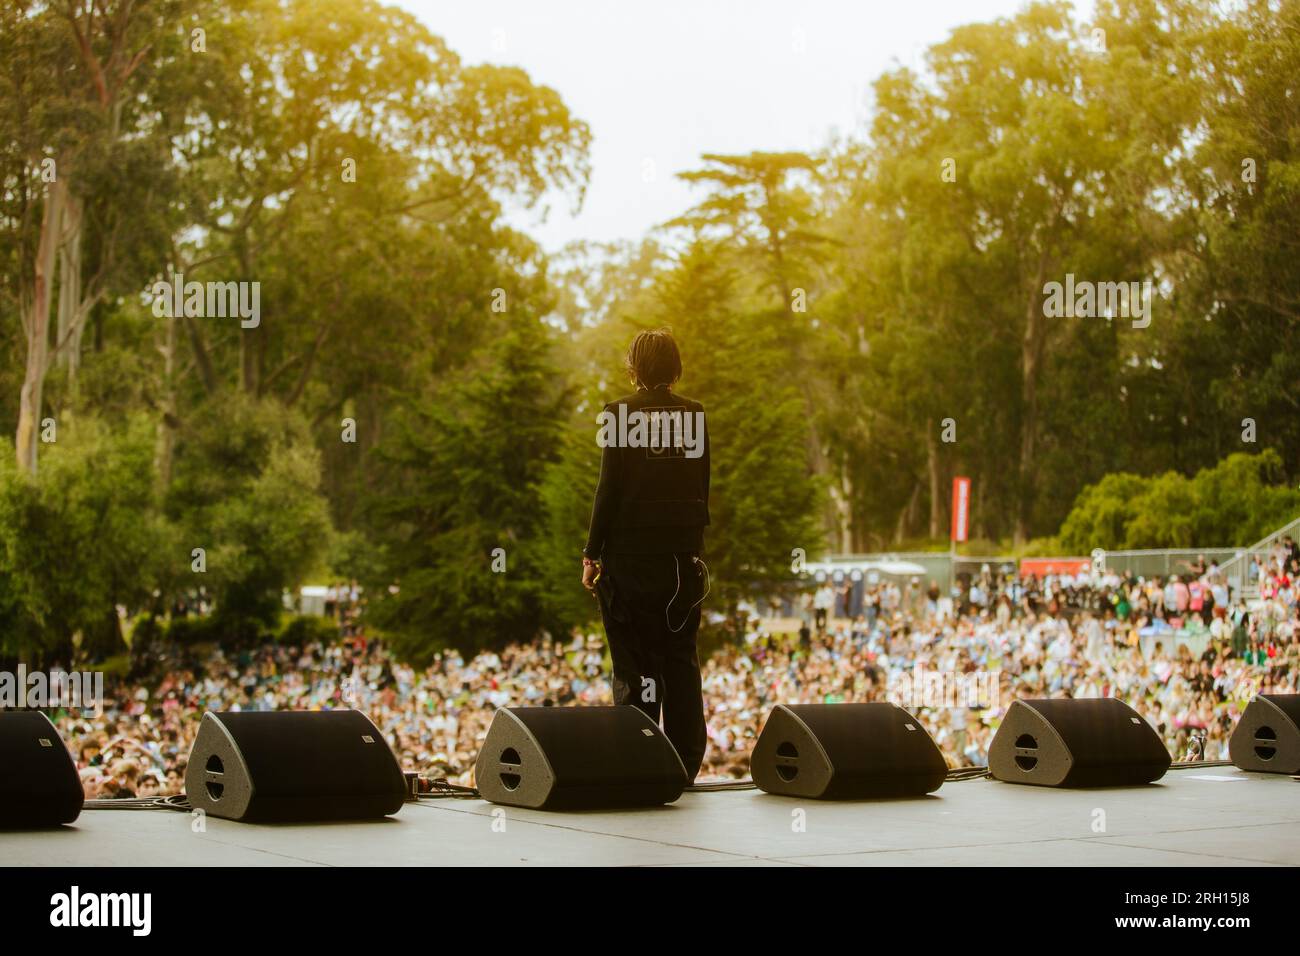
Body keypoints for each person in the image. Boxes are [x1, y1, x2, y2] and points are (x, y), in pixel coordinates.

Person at [581, 328, 711, 782]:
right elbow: (702, 485)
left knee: (633, 663)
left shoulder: (618, 414)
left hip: (628, 561)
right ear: (675, 367)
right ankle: (684, 763)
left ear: (634, 367)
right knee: (679, 658)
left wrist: (591, 554)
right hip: (680, 562)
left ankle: (638, 762)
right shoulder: (694, 415)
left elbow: (607, 490)